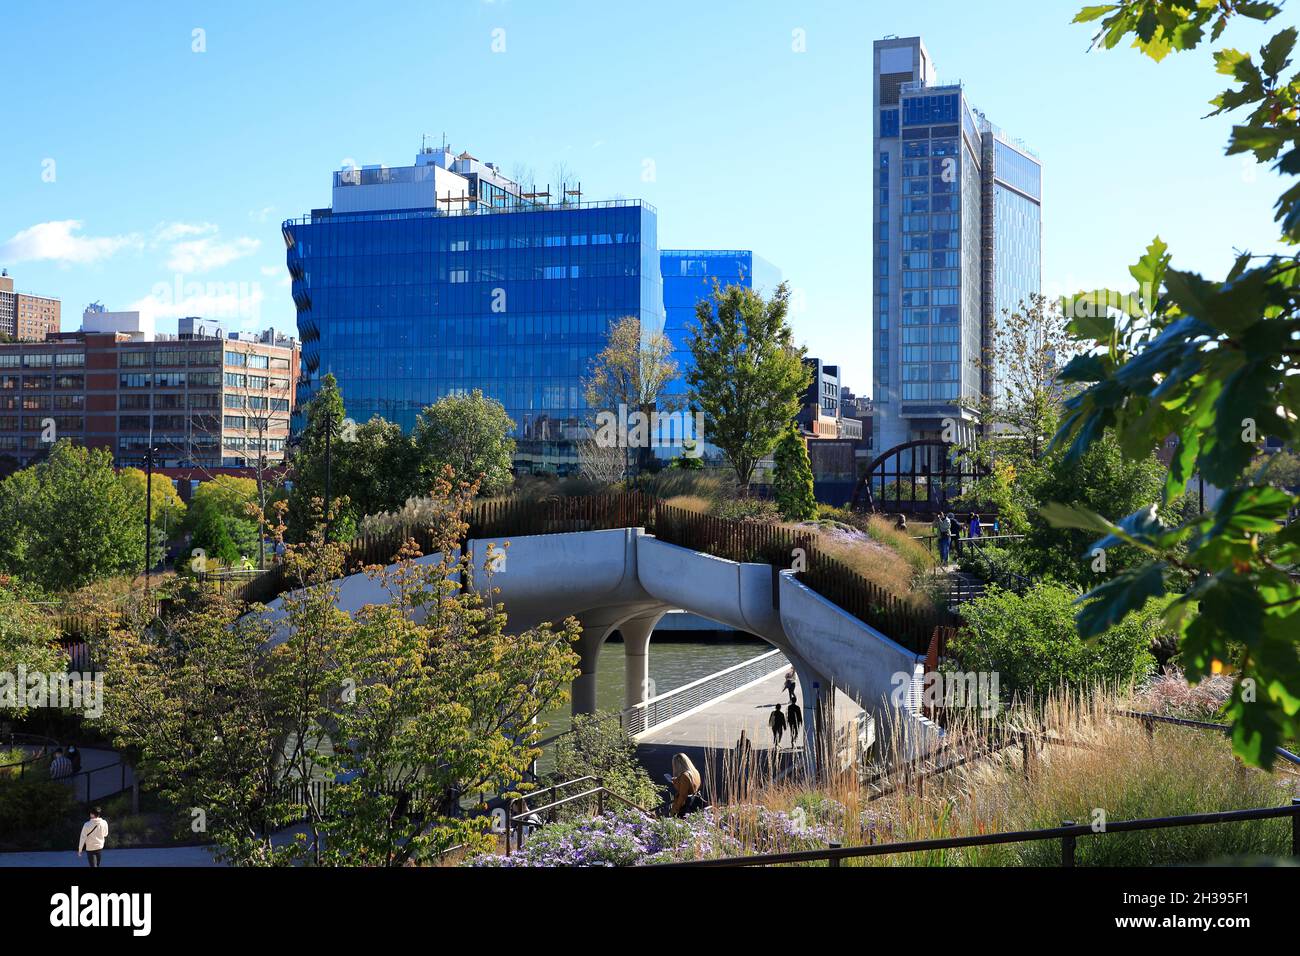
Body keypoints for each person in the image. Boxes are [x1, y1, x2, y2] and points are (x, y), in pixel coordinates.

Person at [669, 753, 703, 817]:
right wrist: (678, 782)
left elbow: (683, 795)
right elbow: (693, 786)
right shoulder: (695, 771)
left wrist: (675, 809)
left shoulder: (684, 776)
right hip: (695, 801)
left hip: (686, 806)